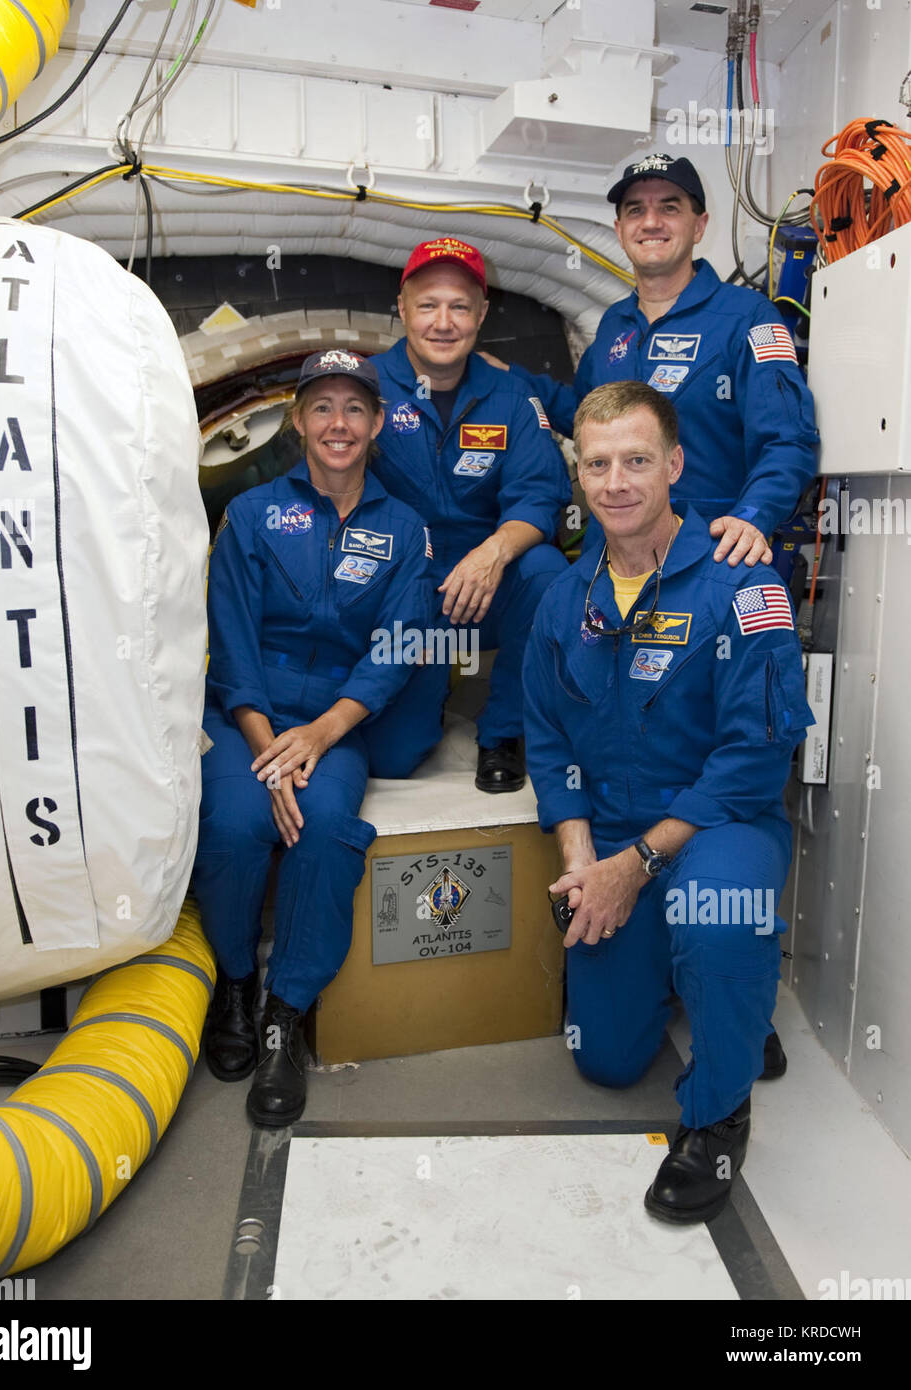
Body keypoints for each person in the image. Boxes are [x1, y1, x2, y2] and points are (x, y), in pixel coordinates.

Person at [522, 381, 814, 1222]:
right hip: (610, 831)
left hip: (718, 822)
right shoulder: (560, 601)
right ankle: (723, 996)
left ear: (675, 465)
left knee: (716, 918)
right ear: (580, 477)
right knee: (608, 1060)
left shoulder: (740, 585)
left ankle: (718, 1111)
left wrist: (639, 864)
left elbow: (755, 758)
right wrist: (581, 857)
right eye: (599, 464)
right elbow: (546, 740)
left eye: (637, 461)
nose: (616, 483)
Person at [191, 350, 432, 1127]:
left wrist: (319, 738)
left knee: (324, 828)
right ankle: (232, 983)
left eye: (355, 408)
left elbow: (395, 648)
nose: (338, 423)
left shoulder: (403, 530)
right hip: (245, 715)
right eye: (322, 407)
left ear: (377, 424)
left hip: (340, 719)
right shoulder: (253, 515)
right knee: (231, 823)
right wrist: (269, 751)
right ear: (297, 422)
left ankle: (282, 1016)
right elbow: (230, 643)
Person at [484, 154, 819, 570]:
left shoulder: (748, 317)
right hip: (611, 551)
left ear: (699, 225)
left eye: (670, 207)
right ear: (620, 230)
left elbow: (788, 440)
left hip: (709, 550)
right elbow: (583, 413)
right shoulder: (614, 325)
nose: (651, 222)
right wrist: (509, 379)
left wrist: (751, 517)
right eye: (636, 210)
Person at [367, 236, 571, 793]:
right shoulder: (365, 388)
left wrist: (493, 553)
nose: (443, 321)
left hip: (485, 588)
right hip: (400, 593)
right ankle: (415, 700)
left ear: (481, 314)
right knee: (392, 756)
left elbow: (540, 495)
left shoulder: (510, 397)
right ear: (403, 308)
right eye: (428, 304)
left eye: (459, 306)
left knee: (548, 573)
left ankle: (502, 731)